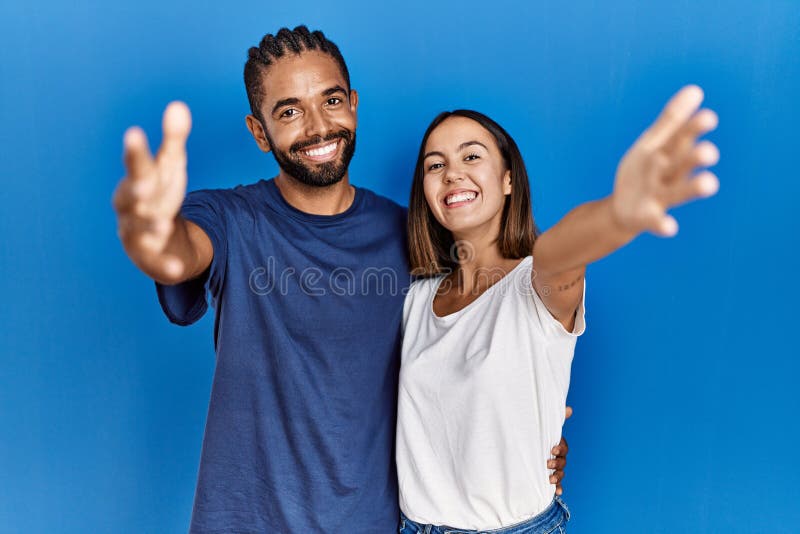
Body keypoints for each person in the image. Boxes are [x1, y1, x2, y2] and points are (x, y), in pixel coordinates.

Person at [112, 26, 569, 533]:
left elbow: (485, 345)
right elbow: (179, 254)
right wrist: (151, 234)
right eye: (288, 111)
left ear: (353, 104)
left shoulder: (413, 240)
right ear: (259, 131)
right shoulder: (229, 218)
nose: (318, 126)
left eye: (331, 100)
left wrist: (534, 422)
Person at [396, 91, 718, 534]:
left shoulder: (534, 285)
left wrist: (617, 214)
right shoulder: (415, 299)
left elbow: (560, 251)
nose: (452, 173)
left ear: (509, 180)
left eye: (472, 156)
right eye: (435, 165)